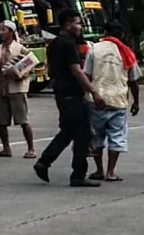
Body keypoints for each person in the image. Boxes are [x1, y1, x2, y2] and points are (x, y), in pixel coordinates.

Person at [34, 13, 100, 187]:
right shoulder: (69, 44)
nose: (80, 27)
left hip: (61, 93)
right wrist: (93, 91)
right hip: (72, 95)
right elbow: (76, 70)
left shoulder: (54, 43)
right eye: (78, 24)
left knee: (68, 132)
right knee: (83, 135)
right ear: (68, 24)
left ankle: (44, 162)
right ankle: (78, 175)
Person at [86, 22, 135, 181]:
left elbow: (86, 75)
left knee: (97, 136)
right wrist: (136, 102)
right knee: (116, 136)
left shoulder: (94, 49)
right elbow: (133, 80)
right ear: (121, 35)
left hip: (96, 99)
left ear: (105, 32)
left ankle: (99, 170)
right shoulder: (126, 52)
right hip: (118, 100)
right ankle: (110, 172)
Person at [0, 21, 39, 159]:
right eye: (0, 30)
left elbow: (32, 62)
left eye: (4, 30)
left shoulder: (20, 48)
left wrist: (21, 73)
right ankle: (6, 148)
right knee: (1, 121)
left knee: (22, 120)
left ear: (11, 32)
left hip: (17, 89)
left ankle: (31, 148)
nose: (1, 33)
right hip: (2, 89)